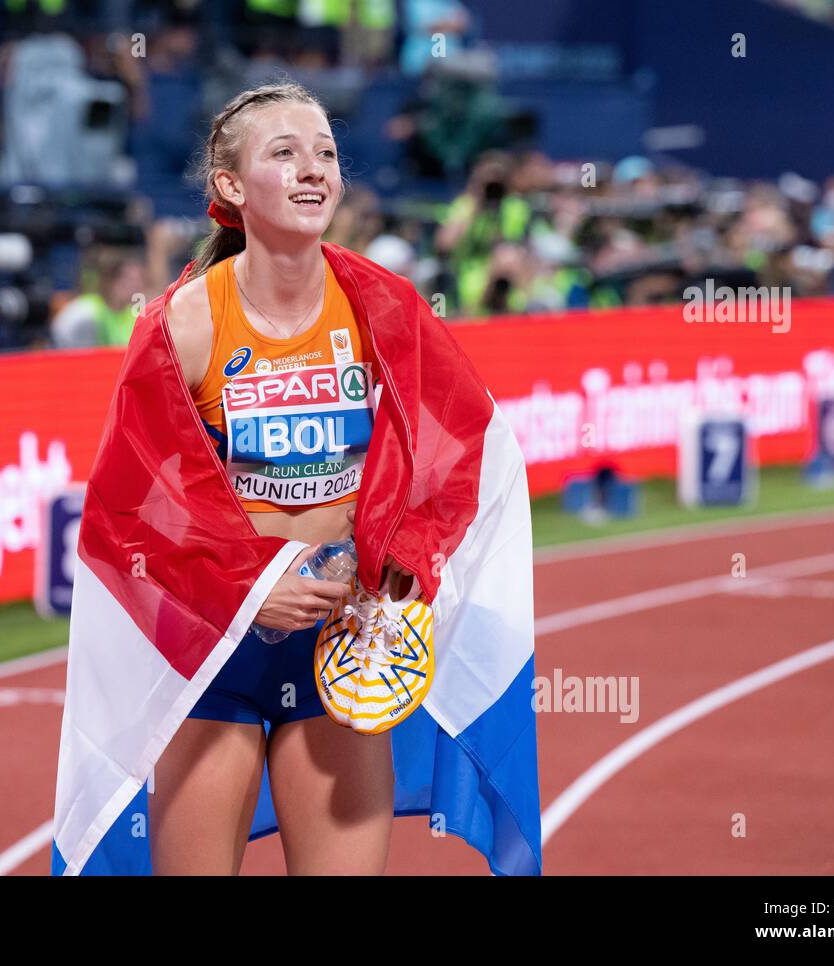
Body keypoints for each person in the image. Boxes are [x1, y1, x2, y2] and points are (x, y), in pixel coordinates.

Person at [51, 81, 540, 879]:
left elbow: (466, 453)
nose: (314, 169)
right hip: (216, 657)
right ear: (231, 187)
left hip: (340, 652)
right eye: (285, 153)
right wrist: (244, 593)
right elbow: (130, 515)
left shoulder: (382, 307)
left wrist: (394, 559)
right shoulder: (186, 323)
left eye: (326, 153)